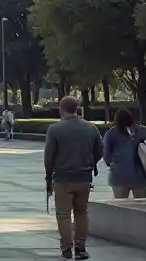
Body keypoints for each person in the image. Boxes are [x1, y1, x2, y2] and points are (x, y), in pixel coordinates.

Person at [43, 96, 104, 261]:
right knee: (81, 213)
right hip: (84, 177)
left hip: (62, 178)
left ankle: (66, 248)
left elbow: (49, 156)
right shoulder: (91, 128)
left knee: (63, 214)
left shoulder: (55, 129)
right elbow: (100, 150)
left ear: (61, 108)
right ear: (77, 108)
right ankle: (80, 248)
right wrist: (90, 163)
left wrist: (48, 176)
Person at [103, 108, 146, 199]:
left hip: (119, 173)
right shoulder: (142, 131)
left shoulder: (111, 133)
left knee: (120, 203)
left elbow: (106, 153)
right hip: (139, 172)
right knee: (141, 203)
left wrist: (111, 163)